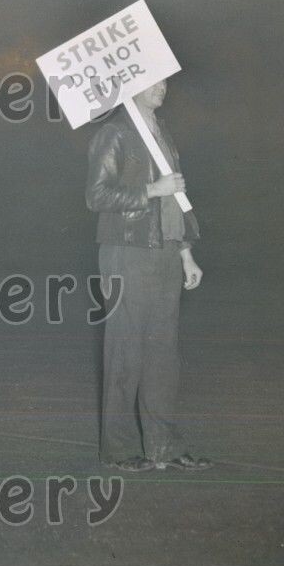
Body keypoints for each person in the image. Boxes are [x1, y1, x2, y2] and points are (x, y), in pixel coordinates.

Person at [86, 80, 211, 472]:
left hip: (165, 255)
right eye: (154, 81)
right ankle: (120, 450)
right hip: (126, 252)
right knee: (126, 351)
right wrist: (151, 189)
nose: (163, 87)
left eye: (166, 80)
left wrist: (186, 254)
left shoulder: (163, 135)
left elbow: (176, 203)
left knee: (163, 354)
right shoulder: (115, 133)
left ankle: (164, 447)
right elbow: (97, 196)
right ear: (132, 86)